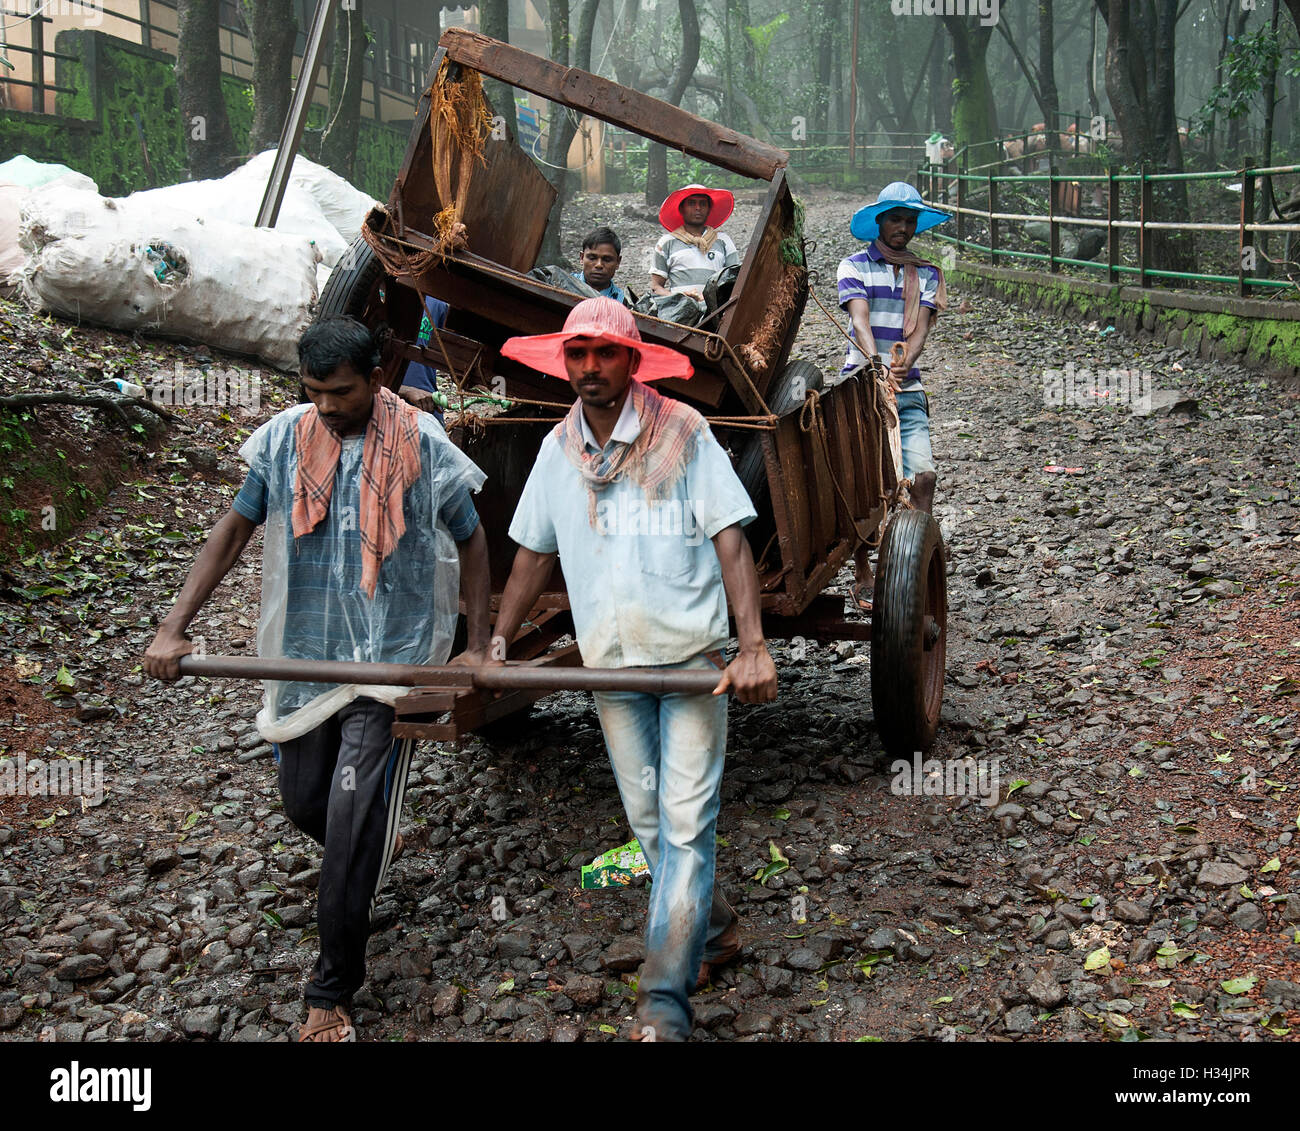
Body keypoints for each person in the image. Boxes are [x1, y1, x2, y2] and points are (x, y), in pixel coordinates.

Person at [142, 316, 491, 1043]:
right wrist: (175, 625)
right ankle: (365, 844)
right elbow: (233, 531)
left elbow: (472, 535)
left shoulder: (421, 445)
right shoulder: (282, 439)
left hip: (389, 664)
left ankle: (330, 990)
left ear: (376, 378)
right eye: (313, 391)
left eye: (341, 391)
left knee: (347, 815)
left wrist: (479, 646)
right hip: (302, 656)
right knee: (308, 804)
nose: (326, 406)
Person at [490, 297, 777, 1042]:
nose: (590, 368)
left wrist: (751, 645)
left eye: (605, 354)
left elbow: (729, 540)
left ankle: (664, 1001)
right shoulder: (559, 450)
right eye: (577, 354)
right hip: (612, 665)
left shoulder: (682, 433)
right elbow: (531, 551)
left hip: (691, 663)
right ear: (565, 362)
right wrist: (495, 642)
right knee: (651, 820)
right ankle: (710, 931)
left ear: (632, 360)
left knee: (685, 823)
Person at [836, 181, 950, 608]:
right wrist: (876, 363)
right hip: (861, 386)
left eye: (909, 220)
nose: (902, 227)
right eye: (895, 219)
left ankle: (914, 566)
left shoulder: (930, 273)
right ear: (879, 222)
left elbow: (919, 331)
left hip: (908, 385)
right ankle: (863, 570)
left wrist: (901, 365)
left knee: (923, 478)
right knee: (866, 484)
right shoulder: (853, 266)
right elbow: (860, 321)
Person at [650, 184, 741, 305]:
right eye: (692, 203)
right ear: (682, 209)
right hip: (680, 312)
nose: (698, 208)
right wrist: (680, 297)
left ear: (709, 209)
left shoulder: (723, 240)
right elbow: (656, 287)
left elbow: (736, 280)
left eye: (703, 204)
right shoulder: (667, 242)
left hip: (717, 312)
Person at [573, 226, 628, 303]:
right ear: (582, 258)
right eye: (592, 258)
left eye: (607, 260)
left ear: (618, 262)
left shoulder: (622, 301)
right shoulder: (563, 284)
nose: (599, 265)